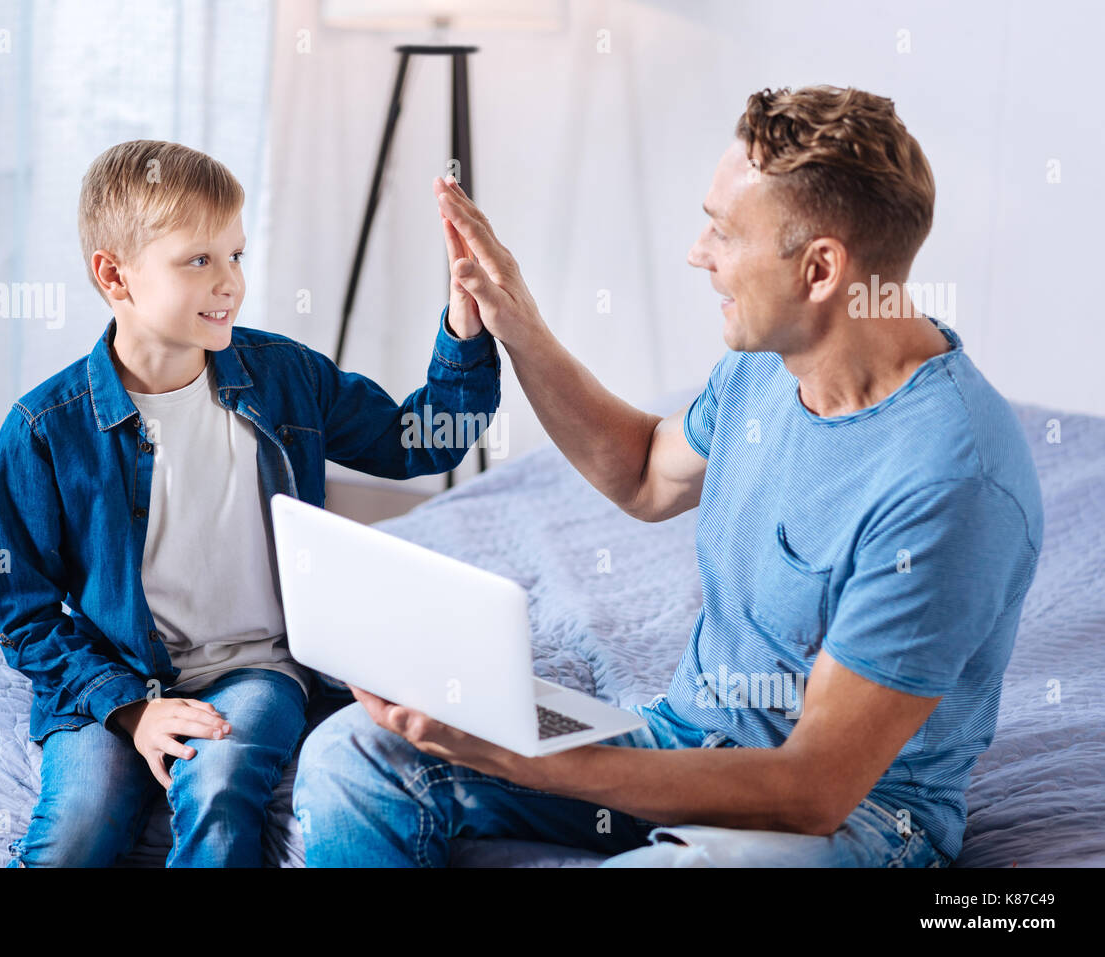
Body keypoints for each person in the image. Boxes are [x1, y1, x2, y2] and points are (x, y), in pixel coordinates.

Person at [292, 85, 1044, 867]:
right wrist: (521, 326)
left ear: (820, 270)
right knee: (358, 749)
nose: (699, 252)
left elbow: (813, 787)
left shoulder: (950, 485)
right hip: (684, 736)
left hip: (854, 818)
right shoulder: (765, 369)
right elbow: (648, 474)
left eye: (722, 230)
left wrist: (520, 755)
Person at [0, 139, 499, 867]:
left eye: (236, 256)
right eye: (199, 260)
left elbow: (420, 442)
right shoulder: (43, 429)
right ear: (115, 275)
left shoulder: (282, 375)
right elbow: (25, 614)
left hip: (256, 668)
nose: (230, 282)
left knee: (220, 786)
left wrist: (464, 327)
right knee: (77, 826)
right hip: (116, 673)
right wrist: (130, 707)